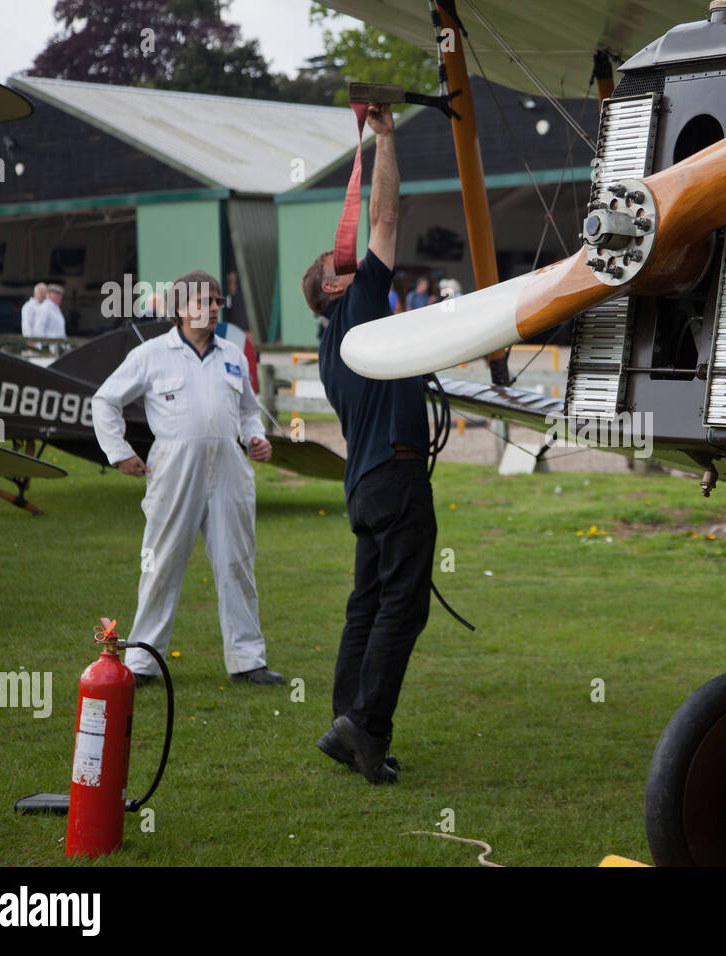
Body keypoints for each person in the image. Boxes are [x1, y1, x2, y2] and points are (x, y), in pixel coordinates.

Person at [302, 101, 435, 784]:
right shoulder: (357, 308)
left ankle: (346, 725)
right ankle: (365, 726)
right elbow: (383, 218)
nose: (359, 261)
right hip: (396, 476)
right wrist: (385, 137)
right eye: (346, 262)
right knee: (402, 607)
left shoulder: (333, 346)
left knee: (366, 605)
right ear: (335, 287)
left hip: (365, 486)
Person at [91, 271, 283, 687]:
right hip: (174, 470)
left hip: (230, 469)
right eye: (204, 301)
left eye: (217, 301)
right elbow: (105, 400)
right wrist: (119, 452)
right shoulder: (152, 354)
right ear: (180, 309)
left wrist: (255, 437)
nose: (213, 307)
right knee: (160, 564)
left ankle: (247, 659)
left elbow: (250, 409)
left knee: (237, 562)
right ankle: (143, 662)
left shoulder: (232, 353)